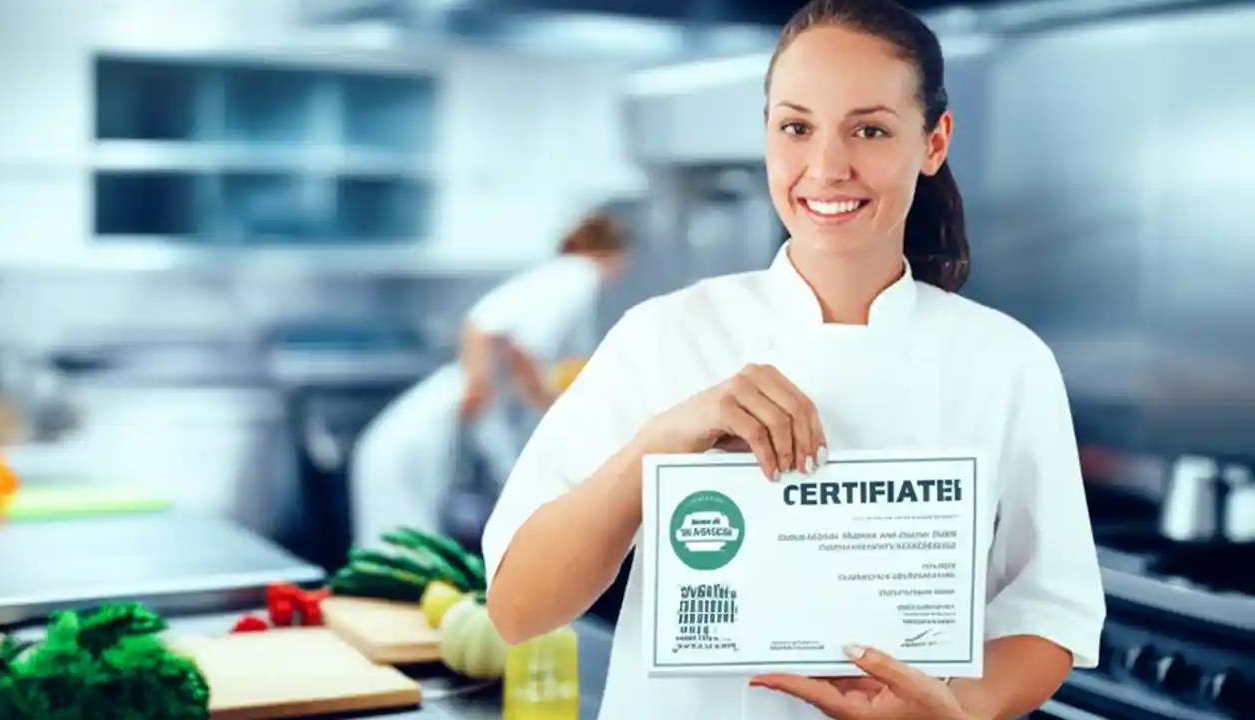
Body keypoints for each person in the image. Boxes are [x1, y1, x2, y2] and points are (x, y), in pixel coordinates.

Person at [480, 1, 1106, 718]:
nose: (826, 167)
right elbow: (517, 609)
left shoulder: (1006, 362)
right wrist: (663, 441)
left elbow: (1049, 614)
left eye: (869, 130)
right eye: (796, 128)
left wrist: (959, 709)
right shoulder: (662, 336)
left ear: (934, 143)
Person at [349, 212, 628, 545]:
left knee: (407, 537)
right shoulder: (579, 275)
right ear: (617, 253)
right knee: (401, 535)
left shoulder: (557, 276)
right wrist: (543, 402)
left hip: (424, 436)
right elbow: (515, 340)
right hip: (415, 441)